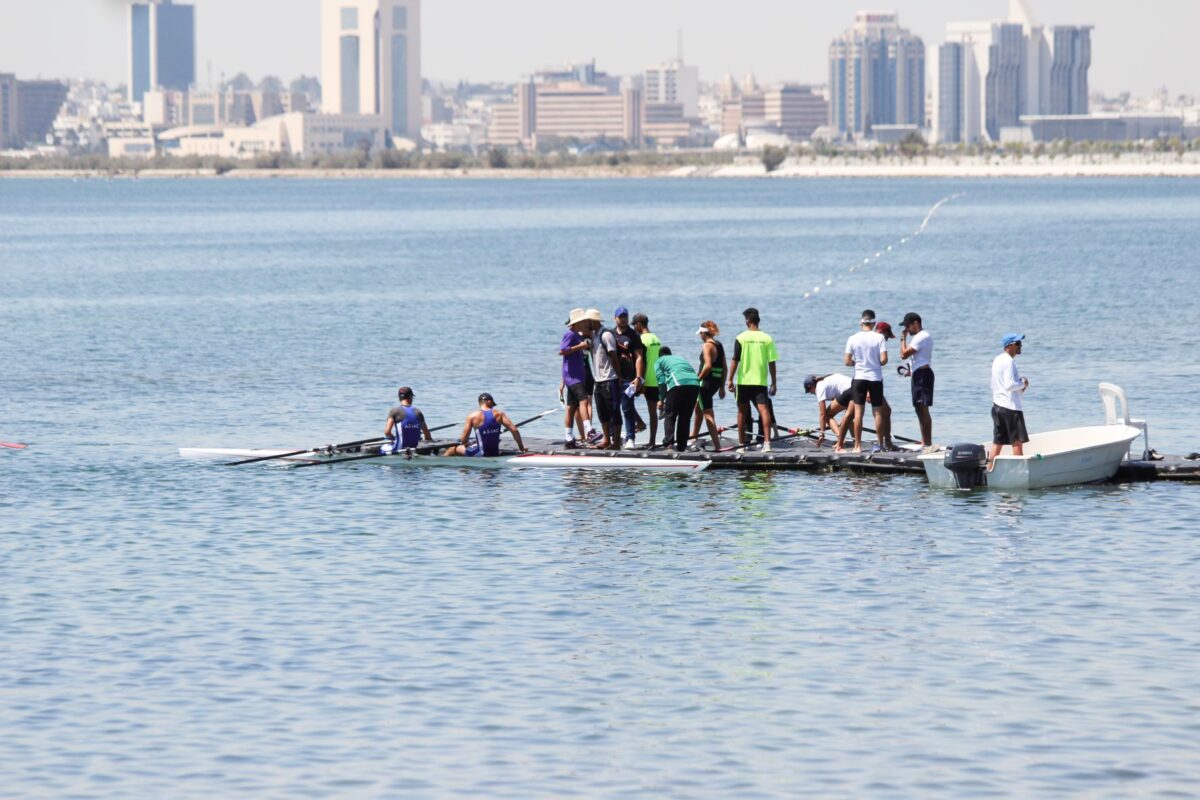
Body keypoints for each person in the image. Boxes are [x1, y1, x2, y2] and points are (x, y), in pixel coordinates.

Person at [727, 308, 778, 452]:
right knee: (764, 410)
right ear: (758, 320)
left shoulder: (741, 337)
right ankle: (767, 444)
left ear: (747, 321)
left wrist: (730, 379)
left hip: (743, 381)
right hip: (760, 381)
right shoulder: (767, 338)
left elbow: (735, 360)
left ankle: (742, 446)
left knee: (741, 412)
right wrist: (774, 382)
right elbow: (772, 362)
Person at [843, 310, 889, 453]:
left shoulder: (852, 338)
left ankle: (857, 446)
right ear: (874, 323)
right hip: (875, 378)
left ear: (861, 322)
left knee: (858, 413)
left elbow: (847, 361)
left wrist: (857, 363)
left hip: (859, 378)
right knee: (878, 412)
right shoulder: (879, 337)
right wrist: (875, 362)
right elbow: (884, 360)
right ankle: (880, 445)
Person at [989, 333, 1030, 470]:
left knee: (997, 442)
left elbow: (997, 384)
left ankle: (989, 471)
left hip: (997, 406)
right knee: (1017, 443)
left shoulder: (997, 359)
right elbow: (1010, 385)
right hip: (1010, 408)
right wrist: (1023, 384)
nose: (1021, 346)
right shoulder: (1008, 361)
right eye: (1018, 344)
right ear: (1010, 346)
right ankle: (1019, 473)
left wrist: (1018, 385)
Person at [445, 392, 527, 457]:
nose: (492, 407)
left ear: (480, 403)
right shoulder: (500, 414)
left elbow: (463, 440)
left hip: (481, 454)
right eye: (492, 405)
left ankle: (443, 464)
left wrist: (466, 444)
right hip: (495, 453)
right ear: (489, 401)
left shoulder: (472, 416)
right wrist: (521, 448)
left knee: (452, 449)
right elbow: (514, 430)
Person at [558, 308, 596, 449]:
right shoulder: (569, 334)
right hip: (573, 376)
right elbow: (562, 350)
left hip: (575, 375)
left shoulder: (576, 334)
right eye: (582, 322)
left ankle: (568, 437)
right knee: (584, 400)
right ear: (576, 323)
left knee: (571, 407)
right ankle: (589, 430)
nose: (584, 324)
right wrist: (580, 346)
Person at [654, 346, 703, 452]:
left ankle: (669, 444)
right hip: (695, 384)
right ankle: (682, 446)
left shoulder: (659, 361)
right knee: (685, 417)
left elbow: (661, 381)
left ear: (660, 355)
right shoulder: (680, 359)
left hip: (678, 384)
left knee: (670, 415)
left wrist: (661, 400)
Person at [898, 311, 935, 452]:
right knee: (918, 408)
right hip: (918, 373)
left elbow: (903, 354)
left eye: (908, 326)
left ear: (916, 323)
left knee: (923, 408)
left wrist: (903, 339)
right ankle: (925, 441)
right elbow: (916, 357)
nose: (906, 329)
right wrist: (911, 371)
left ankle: (928, 443)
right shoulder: (920, 337)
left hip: (923, 375)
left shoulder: (922, 336)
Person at [587, 308, 622, 449]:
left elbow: (613, 356)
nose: (586, 323)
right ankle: (607, 439)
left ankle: (616, 442)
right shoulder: (594, 336)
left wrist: (618, 377)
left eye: (587, 321)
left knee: (614, 411)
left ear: (593, 321)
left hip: (609, 379)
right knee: (602, 412)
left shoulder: (606, 335)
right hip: (599, 380)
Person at [612, 307, 647, 449]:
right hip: (613, 377)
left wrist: (639, 378)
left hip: (629, 378)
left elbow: (639, 357)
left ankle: (630, 438)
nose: (623, 319)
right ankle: (615, 437)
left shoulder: (633, 335)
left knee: (627, 407)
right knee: (613, 408)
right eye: (620, 317)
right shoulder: (610, 334)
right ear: (615, 318)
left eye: (625, 316)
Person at [692, 321, 727, 450]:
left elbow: (707, 366)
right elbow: (724, 367)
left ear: (703, 333)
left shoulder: (707, 346)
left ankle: (717, 446)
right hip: (715, 382)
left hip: (705, 382)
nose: (700, 336)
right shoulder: (719, 345)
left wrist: (697, 380)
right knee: (697, 408)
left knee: (708, 414)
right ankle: (693, 437)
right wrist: (722, 386)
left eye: (700, 334)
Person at [632, 313, 661, 449]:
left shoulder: (642, 339)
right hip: (656, 379)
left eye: (634, 325)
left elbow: (642, 361)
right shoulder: (656, 338)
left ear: (639, 324)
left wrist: (641, 381)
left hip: (645, 380)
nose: (633, 327)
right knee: (652, 412)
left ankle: (639, 423)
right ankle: (652, 441)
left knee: (624, 399)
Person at [804, 372, 854, 451]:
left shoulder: (819, 388)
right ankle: (856, 441)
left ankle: (840, 440)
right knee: (848, 417)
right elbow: (834, 373)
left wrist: (822, 434)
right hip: (857, 387)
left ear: (812, 385)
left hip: (848, 391)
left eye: (809, 390)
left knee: (828, 415)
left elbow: (823, 414)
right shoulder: (825, 380)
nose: (810, 393)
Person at [382, 386, 433, 454]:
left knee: (382, 447)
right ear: (410, 397)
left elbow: (387, 432)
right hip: (414, 448)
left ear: (399, 398)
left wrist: (392, 438)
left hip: (399, 449)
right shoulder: (418, 412)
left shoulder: (394, 411)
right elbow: (427, 435)